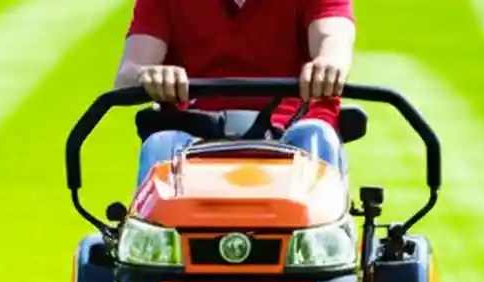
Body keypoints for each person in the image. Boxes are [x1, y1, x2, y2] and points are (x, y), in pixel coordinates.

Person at [115, 0, 356, 187]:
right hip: (194, 129)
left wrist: (329, 60)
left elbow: (333, 35)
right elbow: (128, 73)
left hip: (294, 127)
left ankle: (320, 245)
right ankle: (155, 244)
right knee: (160, 144)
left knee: (315, 137)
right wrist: (148, 75)